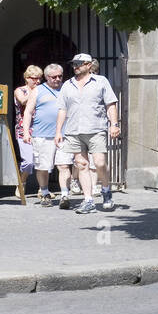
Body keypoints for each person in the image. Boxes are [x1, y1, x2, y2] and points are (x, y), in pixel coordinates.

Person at [54, 53, 120, 215]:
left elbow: (110, 104)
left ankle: (106, 190)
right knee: (81, 165)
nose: (75, 66)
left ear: (89, 65)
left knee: (99, 163)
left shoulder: (101, 82)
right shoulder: (68, 85)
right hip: (74, 131)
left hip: (96, 129)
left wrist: (114, 124)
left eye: (79, 64)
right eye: (74, 64)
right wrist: (58, 131)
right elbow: (62, 109)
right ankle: (88, 200)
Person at [21, 63, 75, 208]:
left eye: (60, 76)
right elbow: (28, 112)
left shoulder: (67, 88)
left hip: (64, 134)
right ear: (46, 77)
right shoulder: (38, 90)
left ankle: (64, 195)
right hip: (42, 134)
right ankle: (44, 193)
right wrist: (26, 132)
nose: (57, 79)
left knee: (64, 165)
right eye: (53, 77)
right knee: (43, 167)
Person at [13, 66, 42, 190]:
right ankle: (22, 182)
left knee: (42, 161)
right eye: (35, 79)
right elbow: (23, 101)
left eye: (39, 79)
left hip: (40, 128)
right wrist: (34, 91)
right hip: (23, 129)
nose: (38, 81)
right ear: (27, 78)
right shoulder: (20, 90)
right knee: (29, 161)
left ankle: (43, 189)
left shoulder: (42, 90)